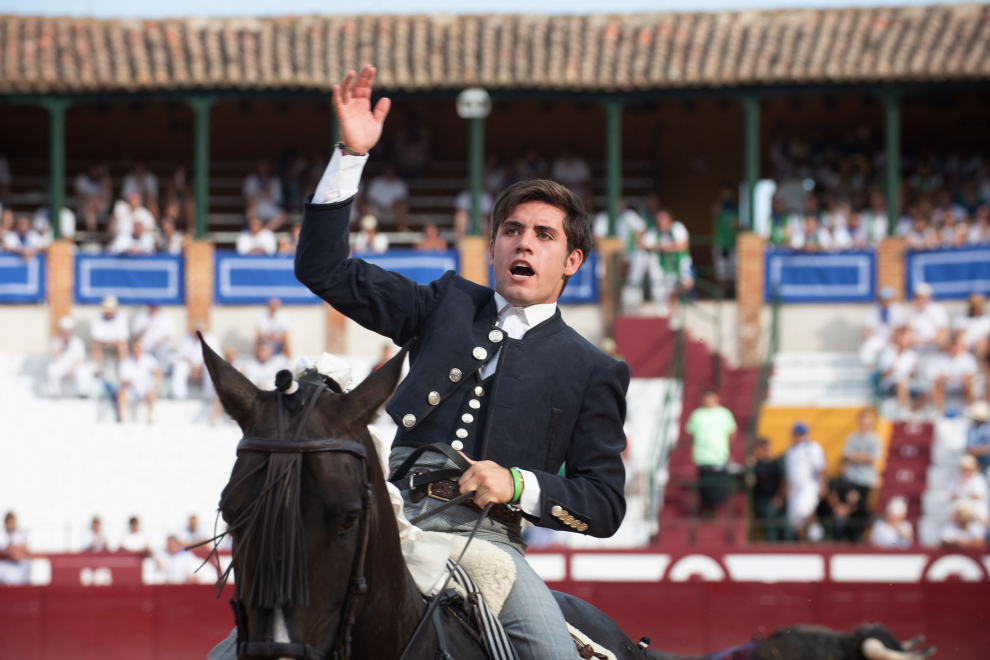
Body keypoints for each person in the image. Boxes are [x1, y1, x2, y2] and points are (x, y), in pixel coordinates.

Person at [292, 65, 629, 660]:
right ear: (494, 245)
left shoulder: (590, 369)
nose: (524, 242)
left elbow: (604, 504)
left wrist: (518, 483)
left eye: (544, 236)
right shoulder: (445, 303)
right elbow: (323, 269)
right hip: (384, 521)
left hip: (486, 545)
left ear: (572, 260)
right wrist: (350, 154)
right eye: (512, 230)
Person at [685, 390, 737, 517]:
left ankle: (716, 508)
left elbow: (732, 433)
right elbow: (690, 432)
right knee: (705, 486)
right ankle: (707, 510)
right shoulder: (697, 415)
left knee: (718, 486)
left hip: (719, 456)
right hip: (702, 457)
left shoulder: (725, 414)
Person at [839, 409, 881, 542]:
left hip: (866, 480)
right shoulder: (852, 437)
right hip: (852, 479)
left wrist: (854, 457)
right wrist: (863, 457)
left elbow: (872, 459)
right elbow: (846, 456)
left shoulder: (875, 439)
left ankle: (857, 537)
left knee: (862, 509)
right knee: (850, 507)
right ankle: (850, 538)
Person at [784, 421, 827, 541]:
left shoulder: (812, 447)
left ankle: (817, 535)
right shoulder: (790, 450)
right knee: (796, 521)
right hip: (794, 488)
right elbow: (789, 473)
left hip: (808, 485)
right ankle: (803, 545)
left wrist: (822, 485)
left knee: (804, 510)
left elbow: (821, 468)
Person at [653, 209, 694, 327]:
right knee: (669, 291)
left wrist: (665, 247)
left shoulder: (678, 227)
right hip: (667, 266)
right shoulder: (656, 232)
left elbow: (683, 245)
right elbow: (646, 243)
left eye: (663, 218)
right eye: (659, 219)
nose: (661, 221)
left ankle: (677, 310)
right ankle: (674, 316)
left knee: (687, 284)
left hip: (682, 263)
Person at [46, 316, 94, 398]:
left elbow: (80, 358)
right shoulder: (55, 341)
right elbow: (54, 356)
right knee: (52, 370)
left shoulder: (78, 342)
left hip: (74, 366)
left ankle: (83, 393)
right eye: (64, 331)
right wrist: (61, 345)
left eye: (68, 331)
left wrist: (72, 369)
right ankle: (54, 393)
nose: (66, 334)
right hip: (60, 365)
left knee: (84, 370)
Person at [860, 286, 908, 367]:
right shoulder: (873, 309)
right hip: (877, 339)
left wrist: (894, 341)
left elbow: (899, 329)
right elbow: (868, 327)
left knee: (890, 355)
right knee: (866, 347)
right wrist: (867, 339)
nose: (885, 301)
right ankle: (869, 371)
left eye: (887, 299)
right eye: (883, 299)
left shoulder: (898, 309)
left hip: (892, 340)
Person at [932, 332, 978, 415]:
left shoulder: (967, 358)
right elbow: (938, 376)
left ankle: (970, 410)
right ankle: (939, 411)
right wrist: (956, 379)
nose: (954, 348)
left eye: (955, 345)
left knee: (969, 385)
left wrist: (952, 379)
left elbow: (969, 378)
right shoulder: (943, 357)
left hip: (961, 386)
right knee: (936, 385)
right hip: (947, 386)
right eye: (952, 345)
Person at [172, 323, 221, 400]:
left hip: (204, 365)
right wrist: (192, 368)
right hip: (189, 365)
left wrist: (200, 369)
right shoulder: (187, 338)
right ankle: (179, 394)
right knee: (180, 368)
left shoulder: (211, 339)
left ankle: (209, 395)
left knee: (211, 367)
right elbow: (182, 355)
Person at [117, 341, 162, 423]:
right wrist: (129, 381)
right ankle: (121, 417)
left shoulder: (148, 359)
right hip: (131, 389)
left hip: (145, 388)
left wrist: (156, 384)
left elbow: (158, 372)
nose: (137, 350)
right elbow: (122, 379)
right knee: (122, 393)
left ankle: (150, 417)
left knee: (152, 393)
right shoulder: (126, 362)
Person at [90, 295, 130, 376]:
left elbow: (122, 339)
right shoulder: (98, 318)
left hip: (115, 345)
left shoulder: (121, 318)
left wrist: (109, 341)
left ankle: (123, 371)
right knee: (96, 345)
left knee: (122, 346)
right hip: (103, 345)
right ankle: (98, 370)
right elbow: (96, 338)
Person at [365, 162, 409, 232]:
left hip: (393, 211)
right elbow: (370, 199)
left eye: (391, 170)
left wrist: (391, 206)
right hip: (378, 209)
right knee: (366, 208)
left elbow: (402, 200)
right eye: (387, 169)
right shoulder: (376, 183)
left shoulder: (400, 184)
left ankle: (402, 229)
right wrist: (380, 206)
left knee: (402, 206)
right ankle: (372, 232)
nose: (389, 172)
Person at [243, 160, 286, 230]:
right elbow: (248, 196)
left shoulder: (274, 180)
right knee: (251, 208)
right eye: (261, 166)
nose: (263, 168)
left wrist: (268, 193)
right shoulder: (252, 179)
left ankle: (263, 232)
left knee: (283, 215)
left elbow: (278, 199)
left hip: (270, 205)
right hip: (256, 205)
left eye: (265, 166)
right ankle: (251, 231)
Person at [711, 181, 739, 292]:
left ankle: (732, 299)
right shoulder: (719, 207)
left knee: (734, 276)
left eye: (729, 192)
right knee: (721, 276)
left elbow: (739, 226)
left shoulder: (736, 208)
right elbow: (713, 213)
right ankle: (721, 302)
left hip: (734, 245)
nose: (727, 194)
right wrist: (722, 200)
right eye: (724, 192)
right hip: (720, 245)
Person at [132, 304, 177, 370]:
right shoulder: (141, 317)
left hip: (160, 344)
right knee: (138, 347)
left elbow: (170, 335)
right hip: (145, 345)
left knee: (164, 347)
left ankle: (162, 372)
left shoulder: (166, 317)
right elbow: (134, 336)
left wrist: (160, 341)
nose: (154, 308)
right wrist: (144, 329)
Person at [906, 282, 949, 351]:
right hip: (916, 350)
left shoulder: (937, 309)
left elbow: (942, 333)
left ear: (929, 297)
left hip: (934, 350)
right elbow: (908, 333)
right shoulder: (911, 312)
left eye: (922, 297)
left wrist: (923, 341)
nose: (920, 300)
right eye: (918, 297)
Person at [949, 454, 990, 522]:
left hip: (976, 511)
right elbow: (952, 497)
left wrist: (966, 488)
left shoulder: (979, 479)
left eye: (968, 469)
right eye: (964, 469)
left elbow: (980, 497)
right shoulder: (957, 479)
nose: (966, 472)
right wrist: (959, 486)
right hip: (959, 511)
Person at [75, 163, 113, 232]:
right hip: (85, 205)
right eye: (94, 169)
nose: (96, 172)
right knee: (90, 210)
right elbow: (79, 194)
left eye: (98, 170)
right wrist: (91, 200)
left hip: (100, 205)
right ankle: (93, 234)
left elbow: (108, 194)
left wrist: (105, 174)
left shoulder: (103, 179)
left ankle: (106, 236)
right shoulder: (82, 178)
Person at [0, 511, 29, 585]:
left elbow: (26, 547)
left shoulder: (22, 533)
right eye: (10, 522)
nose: (12, 524)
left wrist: (17, 550)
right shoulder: (2, 534)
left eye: (13, 522)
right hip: (6, 565)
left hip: (20, 565)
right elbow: (6, 550)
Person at [965, 401, 990, 479]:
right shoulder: (971, 428)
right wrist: (984, 450)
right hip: (976, 464)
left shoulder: (988, 427)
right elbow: (969, 449)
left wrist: (979, 450)